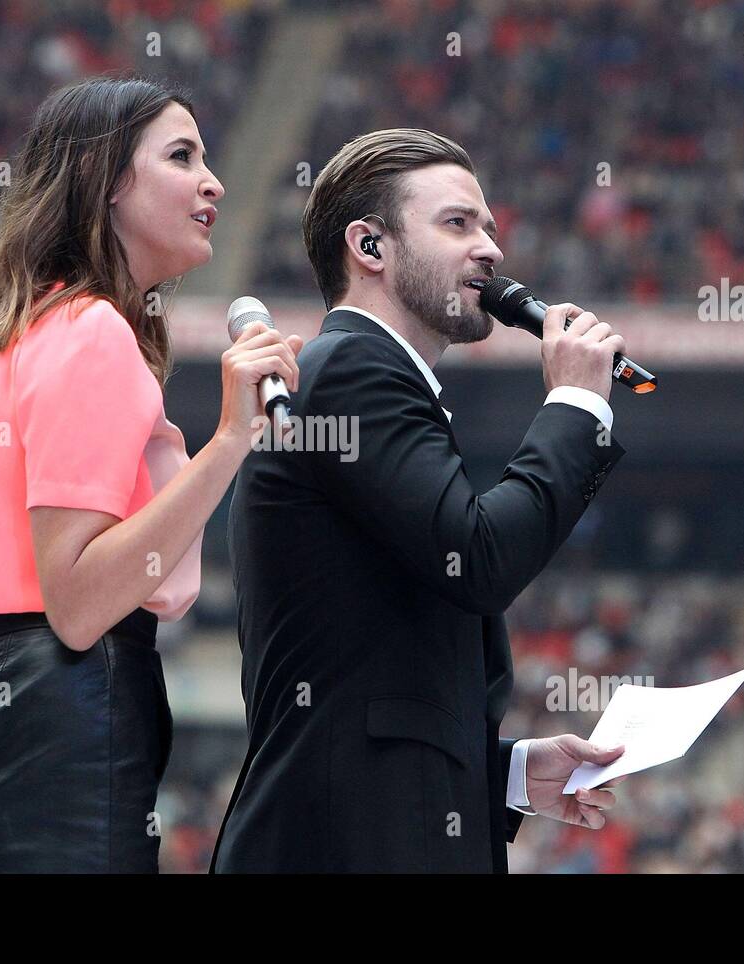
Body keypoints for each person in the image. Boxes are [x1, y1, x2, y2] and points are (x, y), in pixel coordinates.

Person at [0, 76, 301, 873]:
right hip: (69, 728)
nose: (213, 181)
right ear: (109, 182)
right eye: (181, 156)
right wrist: (232, 437)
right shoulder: (93, 333)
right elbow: (82, 604)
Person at [212, 129, 628, 873]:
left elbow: (382, 682)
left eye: (490, 228)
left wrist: (502, 771)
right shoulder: (348, 371)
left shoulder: (366, 381)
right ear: (369, 246)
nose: (492, 250)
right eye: (458, 223)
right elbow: (479, 557)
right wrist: (574, 405)